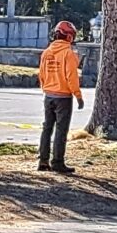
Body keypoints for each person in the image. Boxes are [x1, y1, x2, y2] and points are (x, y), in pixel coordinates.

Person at [38, 20, 84, 173]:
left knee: (47, 128)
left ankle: (43, 160)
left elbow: (41, 74)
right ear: (69, 37)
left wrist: (46, 89)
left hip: (48, 96)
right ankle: (57, 162)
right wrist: (78, 95)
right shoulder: (68, 53)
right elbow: (72, 77)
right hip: (63, 97)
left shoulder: (46, 52)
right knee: (61, 131)